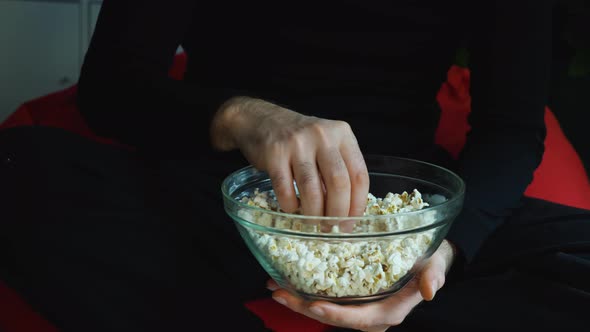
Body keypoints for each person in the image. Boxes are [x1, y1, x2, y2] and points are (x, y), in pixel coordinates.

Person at [0, 0, 588, 331]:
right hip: (219, 195)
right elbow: (111, 87)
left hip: (400, 216)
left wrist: (441, 253)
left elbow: (511, 128)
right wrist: (242, 117)